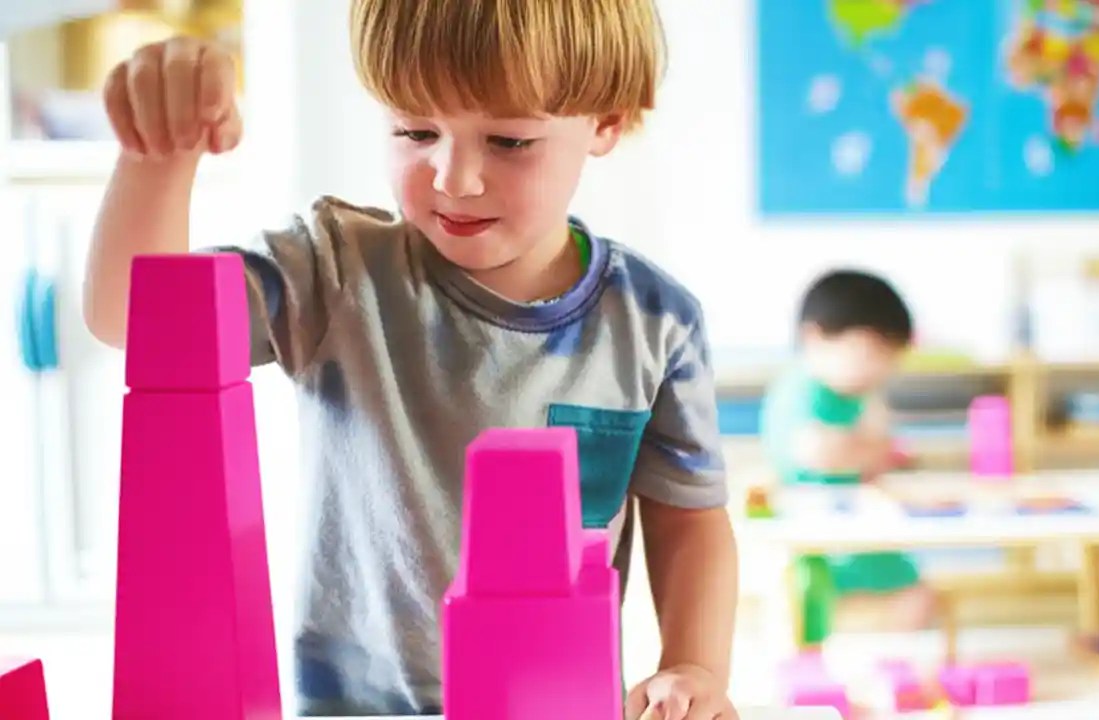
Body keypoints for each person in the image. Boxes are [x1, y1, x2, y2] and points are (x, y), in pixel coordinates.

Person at [82, 1, 739, 717]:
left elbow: (689, 519)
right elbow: (134, 321)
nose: (454, 178)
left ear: (607, 121)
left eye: (509, 141)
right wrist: (157, 155)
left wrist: (694, 665)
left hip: (554, 705)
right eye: (414, 130)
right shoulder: (332, 272)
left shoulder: (654, 323)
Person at [760, 270, 934, 648]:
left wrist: (871, 449)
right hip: (815, 541)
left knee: (916, 595)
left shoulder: (858, 396)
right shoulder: (799, 390)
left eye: (890, 358)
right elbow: (822, 452)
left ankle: (885, 673)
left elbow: (872, 455)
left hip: (856, 532)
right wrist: (874, 449)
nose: (879, 369)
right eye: (869, 353)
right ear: (815, 337)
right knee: (806, 605)